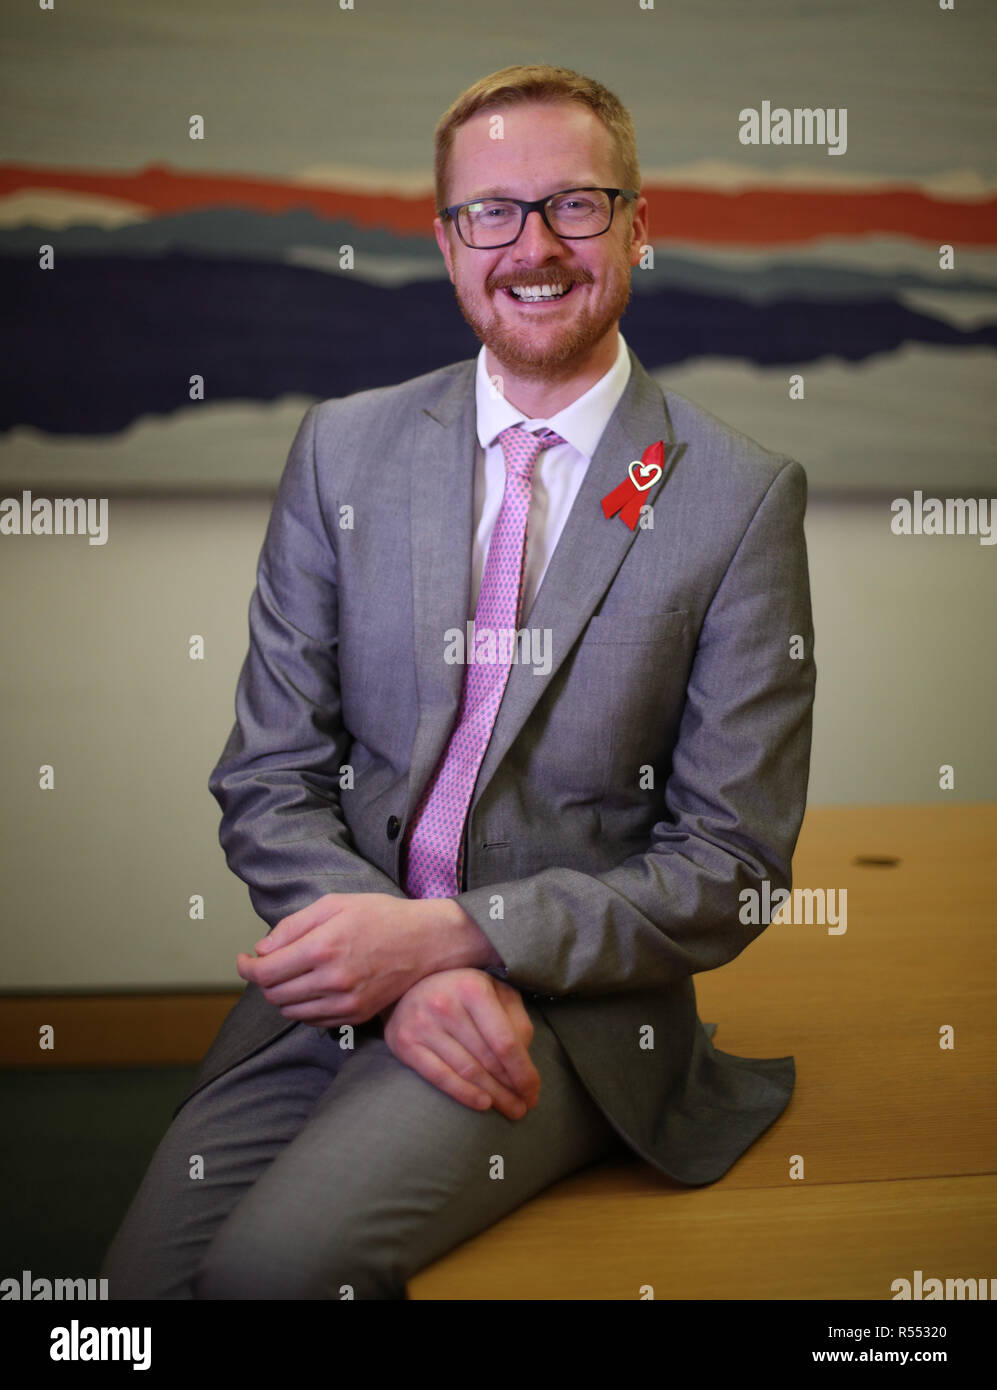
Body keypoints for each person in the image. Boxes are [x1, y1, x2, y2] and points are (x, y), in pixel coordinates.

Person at [101, 63, 815, 1300]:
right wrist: (405, 966)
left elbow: (732, 869)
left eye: (574, 206)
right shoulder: (345, 447)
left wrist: (456, 941)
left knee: (274, 1276)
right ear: (446, 244)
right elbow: (268, 777)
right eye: (491, 211)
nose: (531, 247)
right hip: (341, 980)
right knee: (131, 1299)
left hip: (572, 1019)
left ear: (639, 226)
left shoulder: (736, 498)